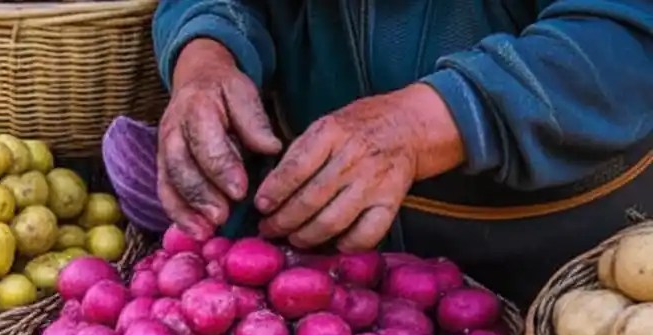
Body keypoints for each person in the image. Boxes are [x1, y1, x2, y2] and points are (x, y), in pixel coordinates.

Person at [104, 0, 653, 306]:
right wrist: (205, 55)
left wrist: (416, 125)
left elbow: (623, 43)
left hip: (559, 279)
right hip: (326, 274)